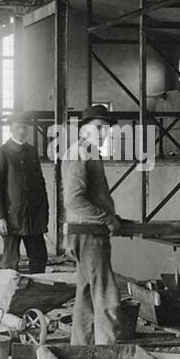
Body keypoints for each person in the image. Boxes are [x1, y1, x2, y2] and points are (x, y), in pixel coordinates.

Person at [62, 104, 125, 345]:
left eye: (106, 129)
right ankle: (106, 355)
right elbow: (74, 200)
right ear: (84, 128)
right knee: (107, 297)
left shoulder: (87, 152)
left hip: (87, 232)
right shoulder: (80, 152)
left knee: (87, 296)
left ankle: (81, 350)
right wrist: (107, 218)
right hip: (89, 234)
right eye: (98, 127)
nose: (103, 133)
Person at [0, 111, 49, 274]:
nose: (22, 131)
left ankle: (36, 293)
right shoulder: (1, 153)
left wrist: (43, 215)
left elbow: (40, 184)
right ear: (11, 128)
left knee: (39, 257)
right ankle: (9, 294)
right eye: (18, 127)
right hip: (11, 217)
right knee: (10, 260)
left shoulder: (31, 152)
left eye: (25, 127)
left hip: (33, 217)